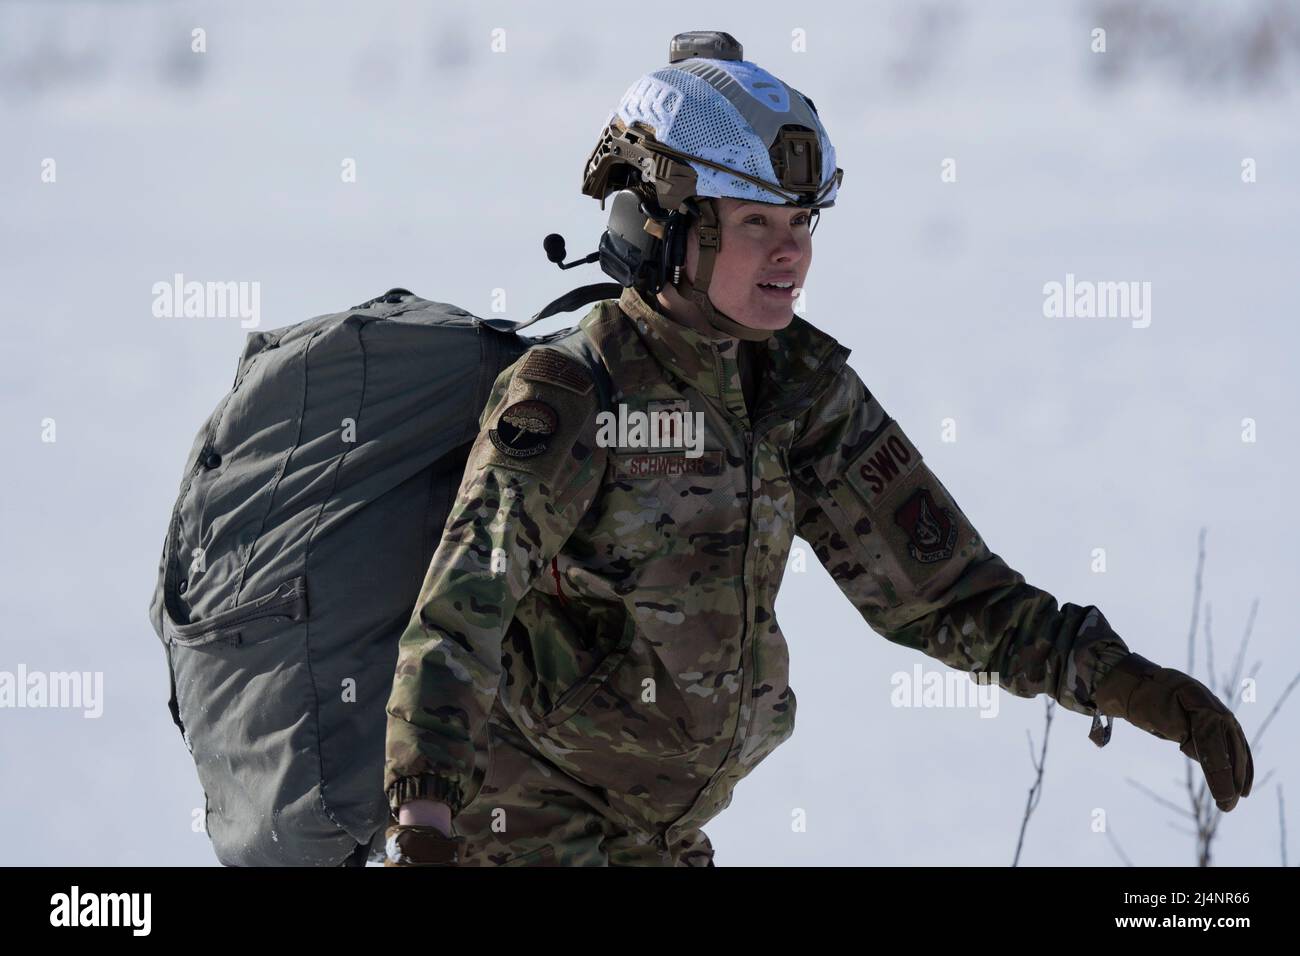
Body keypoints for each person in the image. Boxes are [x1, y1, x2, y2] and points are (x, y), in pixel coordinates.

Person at [382, 32, 1252, 867]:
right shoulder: (577, 392)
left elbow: (942, 592)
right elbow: (463, 612)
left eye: (802, 220)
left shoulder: (802, 392)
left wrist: (1124, 683)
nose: (791, 252)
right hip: (519, 829)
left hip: (662, 837)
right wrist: (423, 818)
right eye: (756, 221)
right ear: (668, 227)